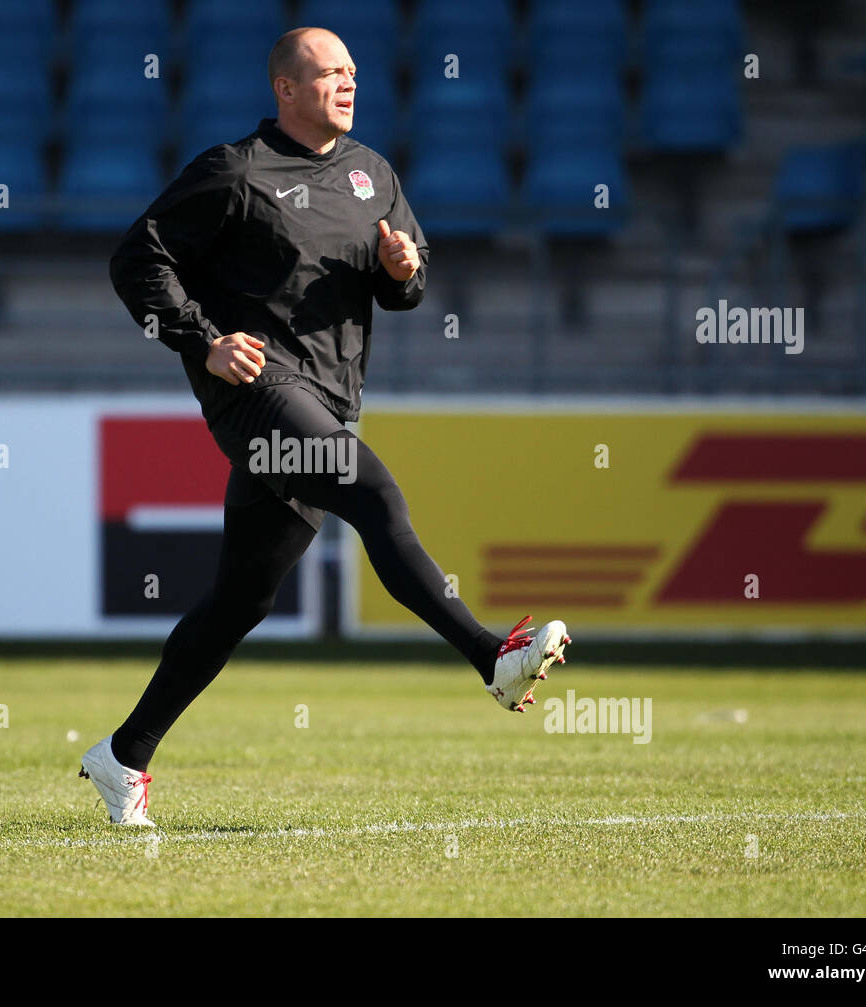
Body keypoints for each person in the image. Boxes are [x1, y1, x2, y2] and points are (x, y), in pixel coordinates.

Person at [81, 27, 570, 826]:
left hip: (331, 396)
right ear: (284, 87)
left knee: (240, 600)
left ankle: (124, 754)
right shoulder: (234, 171)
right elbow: (137, 257)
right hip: (258, 393)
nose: (347, 83)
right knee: (375, 494)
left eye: (351, 72)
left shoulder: (371, 172)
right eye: (328, 73)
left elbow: (403, 284)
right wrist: (202, 339)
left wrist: (403, 273)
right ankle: (493, 654)